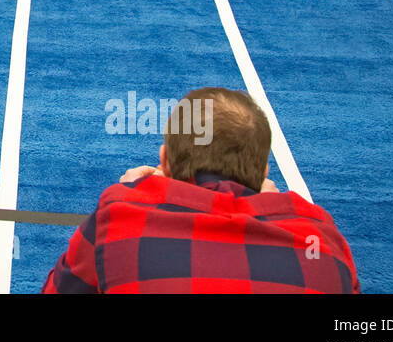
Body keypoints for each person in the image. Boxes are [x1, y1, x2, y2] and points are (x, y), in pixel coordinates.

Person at [43, 87, 359, 294]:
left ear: (164, 161)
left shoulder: (118, 215)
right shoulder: (325, 240)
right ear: (264, 171)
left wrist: (130, 195)